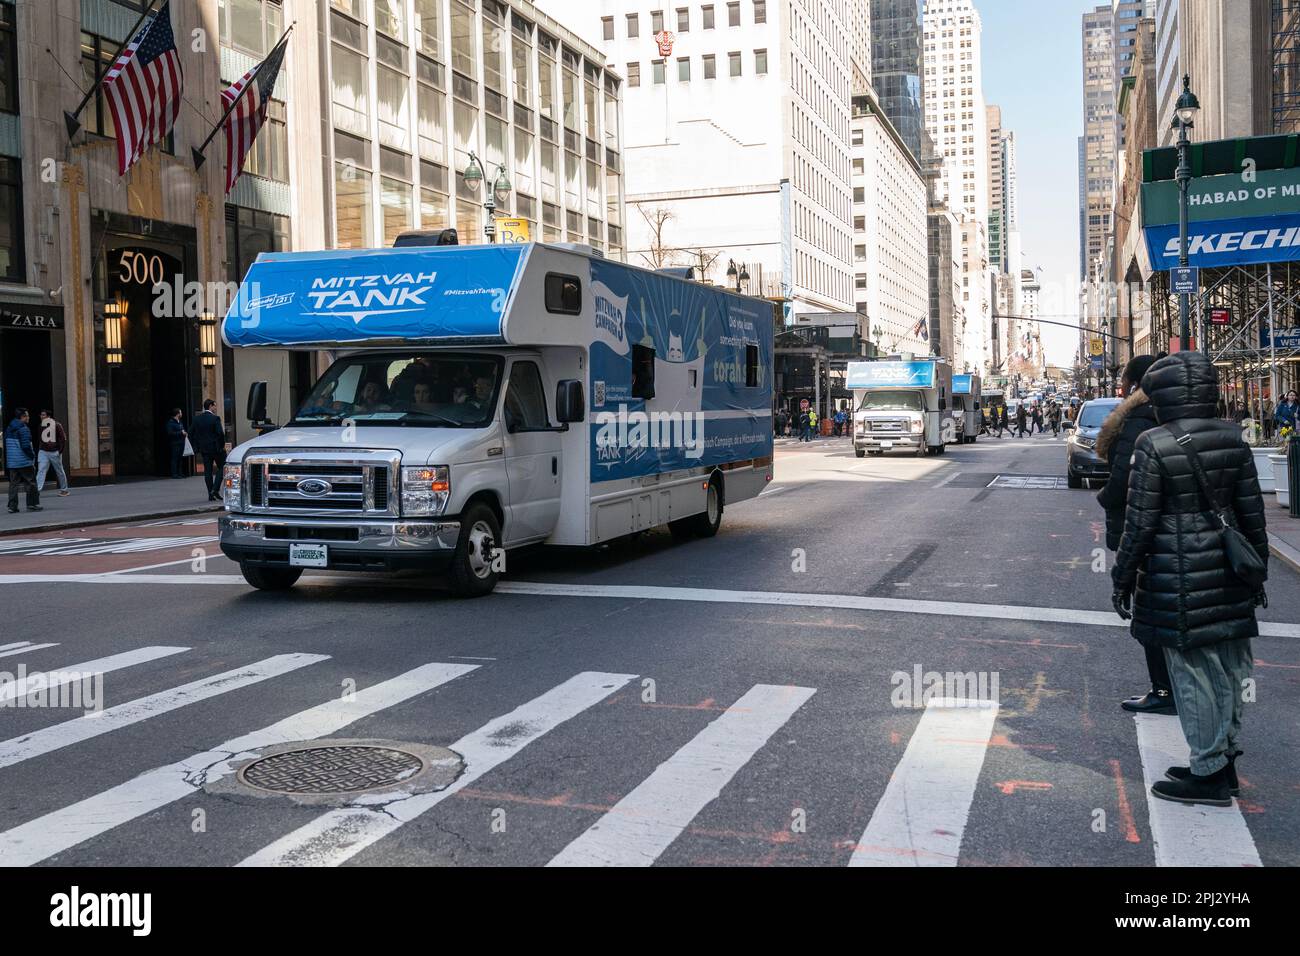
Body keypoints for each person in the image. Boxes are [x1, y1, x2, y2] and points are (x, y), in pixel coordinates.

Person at [1111, 351, 1269, 807]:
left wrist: (1122, 579)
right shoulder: (1233, 439)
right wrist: (1255, 572)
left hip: (1177, 578)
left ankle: (1209, 772)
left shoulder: (1154, 444)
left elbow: (1140, 525)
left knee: (1194, 675)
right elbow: (1251, 514)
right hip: (1229, 574)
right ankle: (1224, 762)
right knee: (1230, 668)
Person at [1095, 354, 1171, 715]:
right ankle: (1179, 688)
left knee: (1150, 610)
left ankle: (1164, 690)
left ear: (1137, 385)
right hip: (1187, 530)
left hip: (1148, 530)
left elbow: (1125, 482)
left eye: (1126, 381)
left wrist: (1104, 496)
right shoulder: (1181, 416)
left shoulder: (1135, 420)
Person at [5, 407, 41, 513]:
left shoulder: (9, 428)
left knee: (13, 484)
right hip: (24, 461)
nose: (29, 417)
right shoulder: (23, 428)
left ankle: (12, 507)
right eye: (27, 415)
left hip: (12, 462)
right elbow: (26, 446)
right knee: (30, 482)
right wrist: (32, 456)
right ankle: (32, 504)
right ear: (23, 417)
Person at [190, 399, 226, 502]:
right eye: (215, 406)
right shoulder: (215, 419)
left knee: (208, 472)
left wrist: (196, 446)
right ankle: (215, 490)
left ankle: (211, 495)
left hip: (204, 450)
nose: (216, 408)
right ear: (210, 406)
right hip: (216, 449)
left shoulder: (197, 419)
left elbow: (190, 433)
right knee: (223, 467)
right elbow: (220, 434)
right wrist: (221, 446)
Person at [35, 409, 70, 497]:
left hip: (54, 452)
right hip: (43, 451)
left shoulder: (57, 425)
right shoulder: (40, 426)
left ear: (48, 416)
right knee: (41, 470)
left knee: (59, 471)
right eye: (41, 415)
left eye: (43, 415)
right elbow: (40, 438)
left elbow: (63, 438)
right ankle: (36, 490)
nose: (41, 416)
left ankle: (64, 490)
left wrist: (59, 451)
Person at [165, 409, 187, 479]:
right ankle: (174, 474)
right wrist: (181, 433)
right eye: (180, 412)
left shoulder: (180, 422)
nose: (181, 414)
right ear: (177, 414)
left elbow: (182, 430)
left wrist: (184, 433)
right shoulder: (170, 423)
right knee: (175, 459)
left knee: (180, 459)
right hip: (175, 443)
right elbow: (170, 433)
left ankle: (180, 473)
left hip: (181, 442)